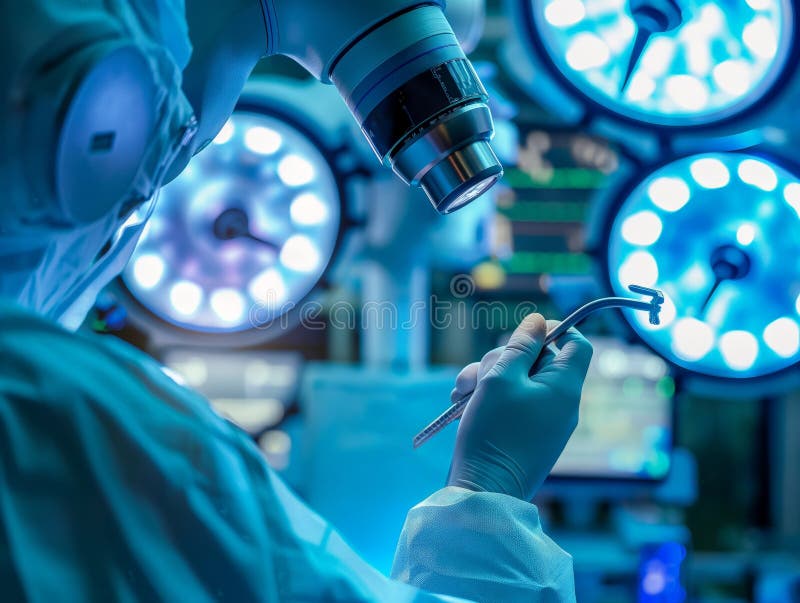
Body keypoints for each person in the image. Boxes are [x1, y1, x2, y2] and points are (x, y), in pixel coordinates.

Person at [0, 1, 593, 600]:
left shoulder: (54, 407)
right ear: (88, 126)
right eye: (176, 144)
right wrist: (490, 489)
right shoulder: (64, 422)